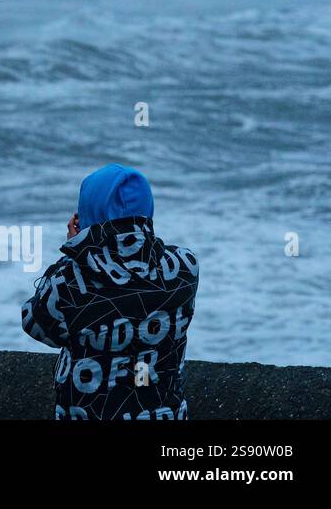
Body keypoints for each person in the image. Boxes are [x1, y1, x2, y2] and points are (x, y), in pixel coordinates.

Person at [20, 164, 199, 419]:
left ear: (87, 214)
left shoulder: (71, 279)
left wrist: (75, 251)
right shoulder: (184, 266)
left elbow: (36, 324)